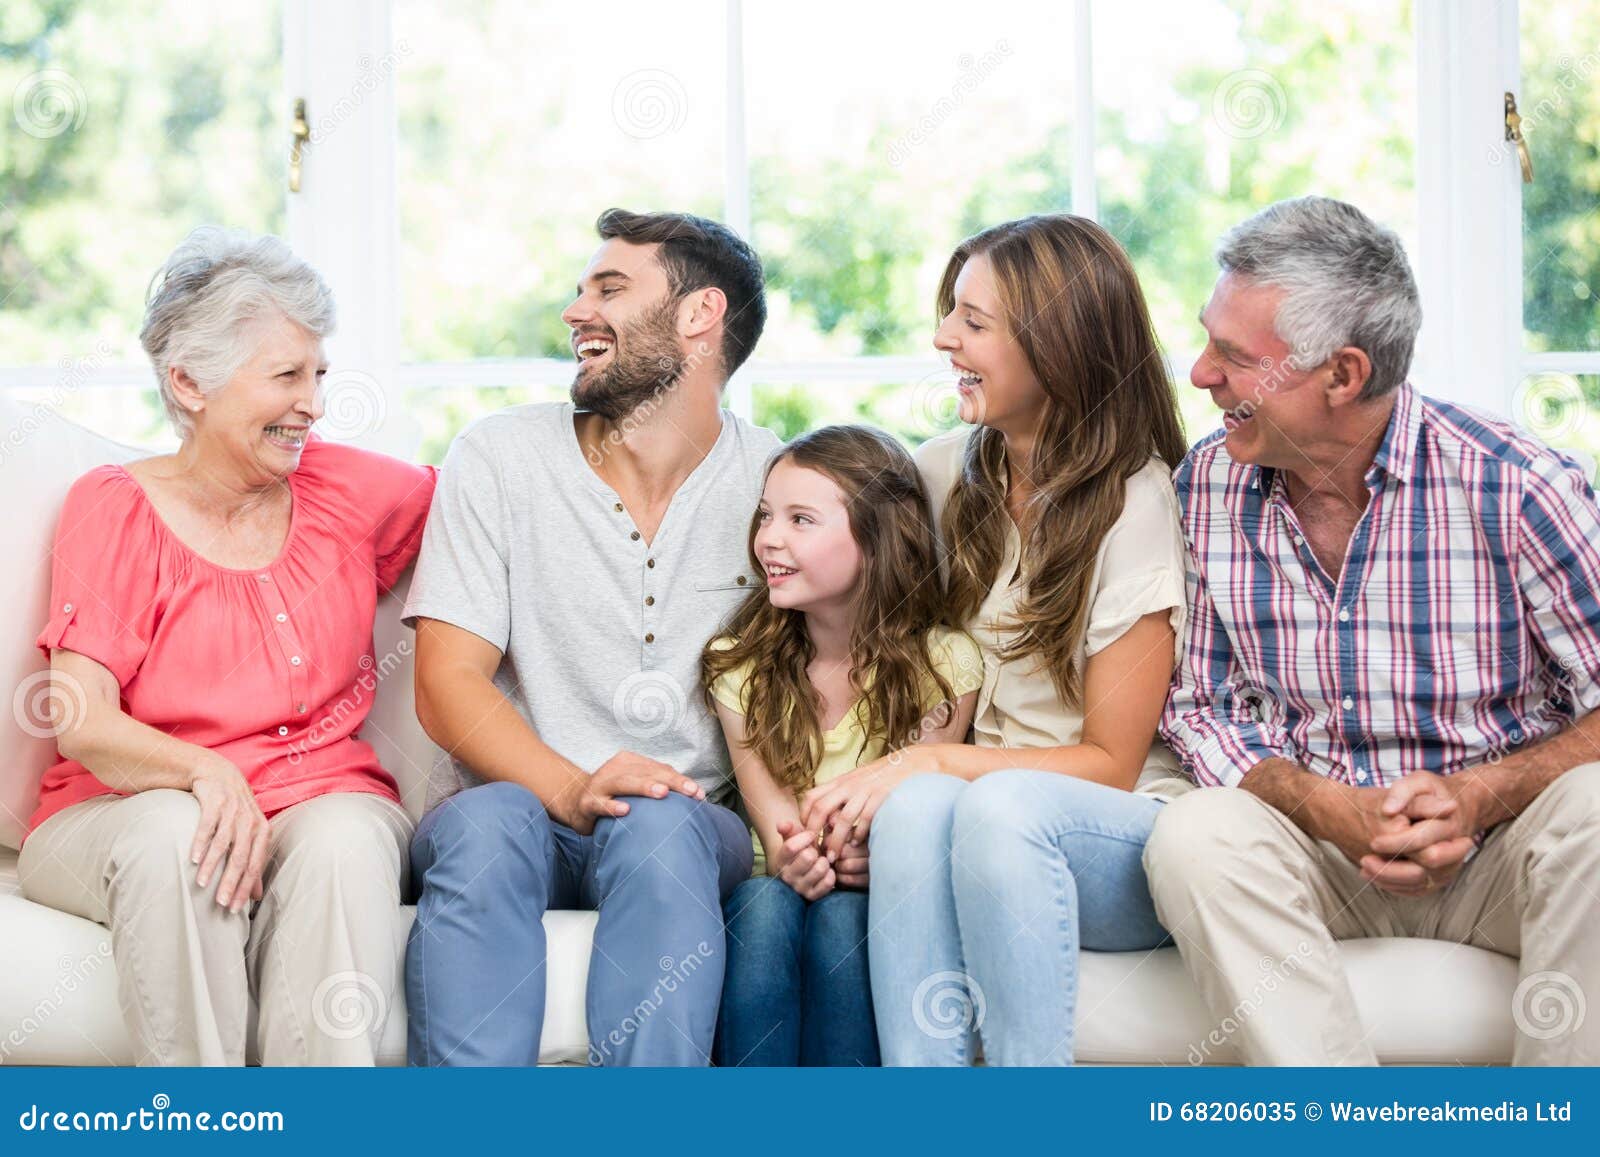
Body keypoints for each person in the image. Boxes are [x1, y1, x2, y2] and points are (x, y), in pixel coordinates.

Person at [1150, 195, 1600, 1065]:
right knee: (1195, 833)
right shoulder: (1204, 483)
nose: (1201, 374)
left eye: (1235, 357)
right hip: (1316, 851)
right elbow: (1197, 705)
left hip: (1501, 852)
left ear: (1343, 375)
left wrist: (1475, 797)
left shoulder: (1519, 487)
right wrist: (1327, 807)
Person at [18, 227, 435, 1065]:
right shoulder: (115, 507)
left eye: (319, 373)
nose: (313, 402)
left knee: (346, 840)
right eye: (286, 375)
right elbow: (83, 722)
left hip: (320, 796)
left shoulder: (351, 490)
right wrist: (208, 773)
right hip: (121, 809)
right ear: (188, 382)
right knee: (182, 830)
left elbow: (500, 517)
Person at [402, 208, 779, 1066]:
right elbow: (446, 683)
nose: (576, 311)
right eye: (580, 291)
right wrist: (572, 790)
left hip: (680, 822)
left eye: (609, 288)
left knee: (661, 818)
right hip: (517, 802)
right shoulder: (499, 456)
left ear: (699, 316)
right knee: (488, 822)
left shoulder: (773, 480)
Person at [824, 214, 1193, 1065]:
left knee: (979, 800)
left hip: (1116, 833)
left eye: (974, 322)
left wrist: (934, 762)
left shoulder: (1137, 502)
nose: (942, 336)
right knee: (917, 806)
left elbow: (1110, 761)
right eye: (952, 313)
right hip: (971, 814)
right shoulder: (945, 470)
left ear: (1056, 344)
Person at [704, 425, 981, 1067]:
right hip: (769, 880)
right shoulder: (737, 666)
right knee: (766, 906)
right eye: (766, 516)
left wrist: (868, 859)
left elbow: (909, 815)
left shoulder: (943, 666)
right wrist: (795, 857)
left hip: (871, 891)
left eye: (801, 519)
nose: (769, 538)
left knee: (843, 923)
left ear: (879, 541)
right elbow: (775, 831)